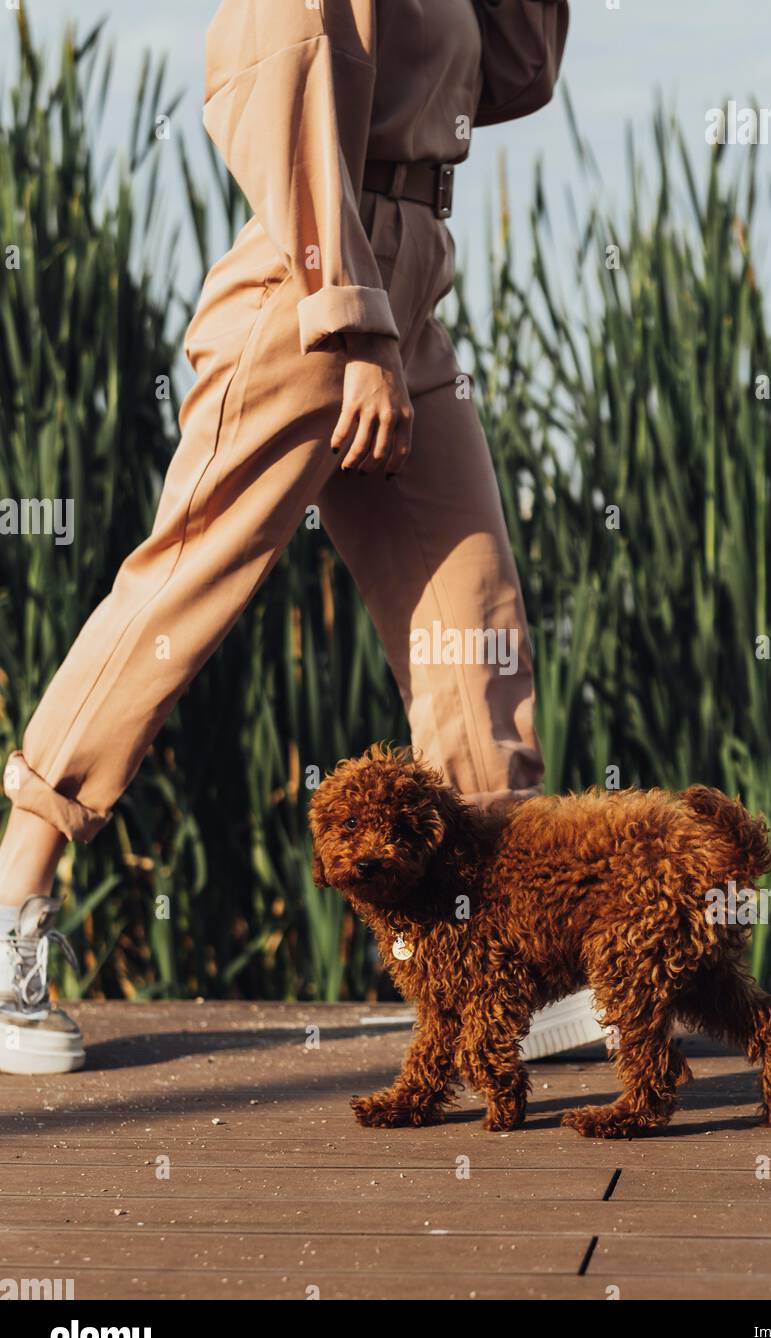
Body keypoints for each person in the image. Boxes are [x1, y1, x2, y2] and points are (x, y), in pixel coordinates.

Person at [0, 0, 583, 1073]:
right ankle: (16, 883)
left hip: (405, 291)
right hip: (311, 293)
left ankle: (503, 950)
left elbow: (512, 72)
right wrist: (353, 325)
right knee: (188, 584)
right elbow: (283, 80)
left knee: (473, 616)